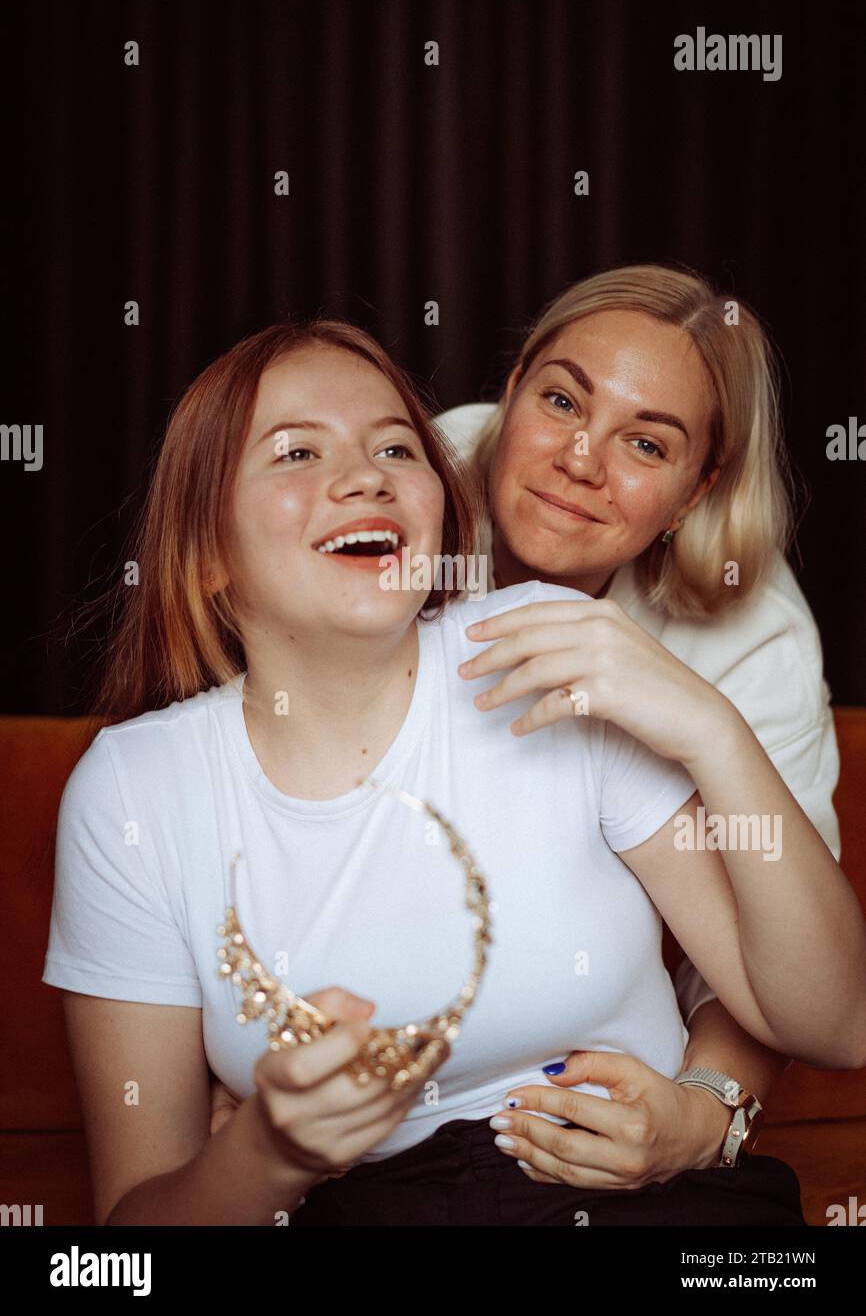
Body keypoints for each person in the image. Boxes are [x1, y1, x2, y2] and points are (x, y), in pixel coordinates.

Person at [42, 318, 866, 1228]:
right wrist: (265, 1158)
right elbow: (131, 1241)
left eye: (396, 446)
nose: (364, 475)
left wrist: (712, 730)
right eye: (296, 453)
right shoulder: (131, 789)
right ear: (205, 554)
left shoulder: (546, 646)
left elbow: (839, 1024)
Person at [426, 262, 845, 1187]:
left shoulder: (753, 625)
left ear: (700, 490)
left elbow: (820, 1004)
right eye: (563, 401)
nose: (581, 461)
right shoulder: (414, 480)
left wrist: (707, 1109)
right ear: (511, 389)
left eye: (647, 446)